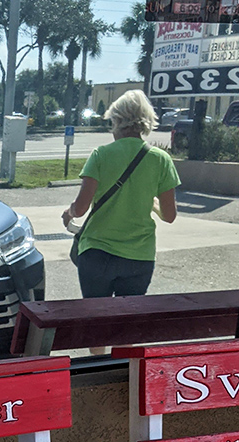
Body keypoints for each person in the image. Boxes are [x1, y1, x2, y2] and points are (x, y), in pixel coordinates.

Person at [62, 89, 180, 298]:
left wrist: (69, 213)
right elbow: (169, 216)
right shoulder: (161, 159)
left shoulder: (101, 155)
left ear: (116, 121)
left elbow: (80, 209)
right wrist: (152, 203)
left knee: (96, 317)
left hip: (97, 254)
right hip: (139, 257)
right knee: (126, 323)